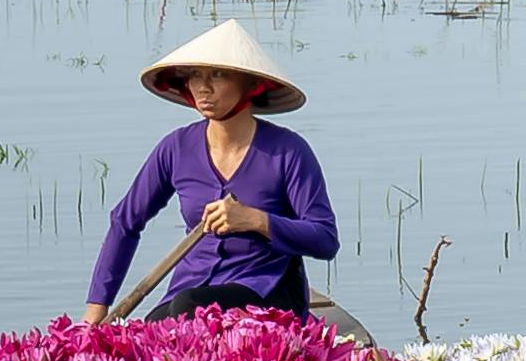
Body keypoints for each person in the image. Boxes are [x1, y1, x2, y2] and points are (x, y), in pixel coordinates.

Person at [87, 21, 339, 318]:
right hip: (192, 287)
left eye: (218, 76)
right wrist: (95, 310)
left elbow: (325, 240)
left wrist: (257, 220)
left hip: (267, 289)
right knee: (152, 326)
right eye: (195, 76)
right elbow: (125, 222)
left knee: (190, 307)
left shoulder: (288, 151)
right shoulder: (176, 148)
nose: (203, 88)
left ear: (250, 84)